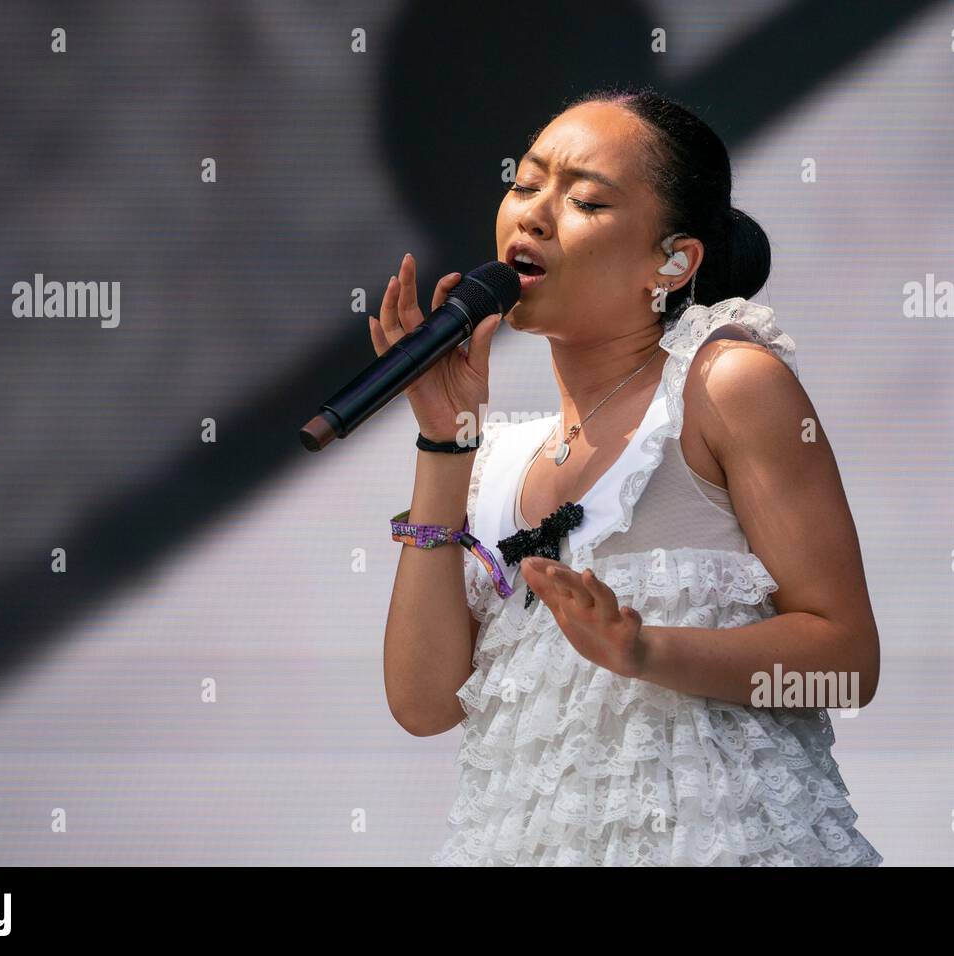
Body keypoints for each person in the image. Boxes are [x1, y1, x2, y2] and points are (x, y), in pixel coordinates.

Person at [374, 83, 883, 866]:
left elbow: (845, 661)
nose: (535, 213)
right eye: (525, 184)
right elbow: (422, 703)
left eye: (585, 200)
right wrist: (445, 445)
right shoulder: (500, 455)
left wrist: (643, 651)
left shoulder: (725, 384)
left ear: (673, 260)